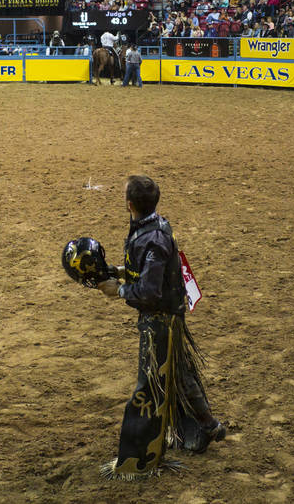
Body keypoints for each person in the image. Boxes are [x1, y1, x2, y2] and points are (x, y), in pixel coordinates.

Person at [95, 175, 225, 480]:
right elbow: (154, 271)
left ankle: (139, 458)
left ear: (129, 205)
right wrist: (118, 271)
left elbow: (150, 290)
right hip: (170, 317)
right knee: (179, 373)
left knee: (151, 384)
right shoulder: (157, 227)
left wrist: (120, 290)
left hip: (160, 322)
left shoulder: (150, 237)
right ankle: (207, 425)